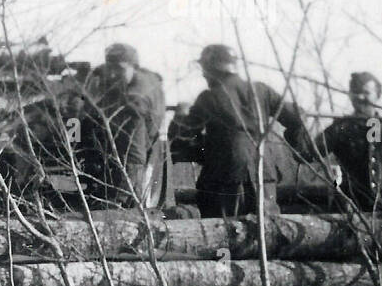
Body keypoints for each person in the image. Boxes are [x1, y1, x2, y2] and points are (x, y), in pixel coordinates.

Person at [174, 44, 316, 218]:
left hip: (223, 180)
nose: (203, 74)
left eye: (204, 69)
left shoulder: (208, 98)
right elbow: (297, 117)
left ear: (212, 69)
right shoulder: (261, 91)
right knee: (269, 233)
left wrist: (180, 117)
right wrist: (298, 145)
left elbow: (182, 140)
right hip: (263, 175)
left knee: (223, 236)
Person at [317, 72, 382, 212]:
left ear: (377, 95)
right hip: (353, 208)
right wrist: (296, 123)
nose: (360, 97)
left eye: (366, 92)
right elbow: (307, 152)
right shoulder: (340, 128)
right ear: (350, 95)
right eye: (356, 92)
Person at [80, 43, 165, 208]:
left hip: (137, 147)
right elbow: (82, 111)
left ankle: (126, 200)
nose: (112, 74)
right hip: (117, 144)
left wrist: (119, 198)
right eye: (109, 68)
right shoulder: (107, 77)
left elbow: (134, 155)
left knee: (129, 201)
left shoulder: (137, 97)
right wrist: (74, 139)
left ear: (134, 67)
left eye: (118, 69)